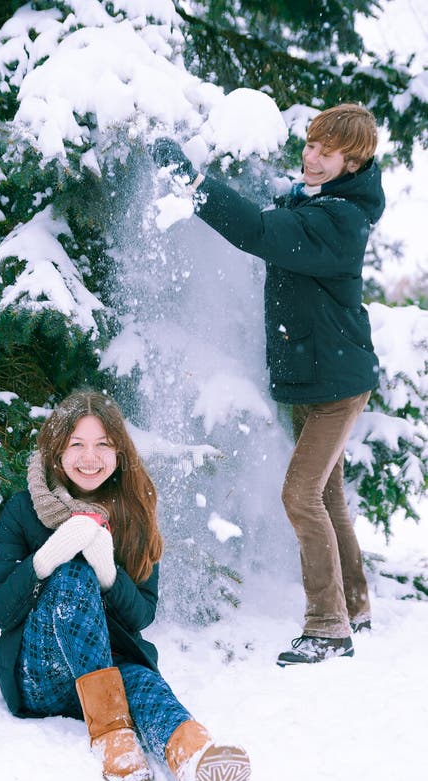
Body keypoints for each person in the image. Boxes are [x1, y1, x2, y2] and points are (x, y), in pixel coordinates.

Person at [152, 103, 385, 666]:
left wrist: (194, 183)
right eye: (310, 145)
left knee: (299, 495)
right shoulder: (314, 200)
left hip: (335, 387)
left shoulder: (338, 220)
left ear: (353, 163)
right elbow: (271, 211)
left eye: (327, 153)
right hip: (312, 377)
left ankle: (328, 628)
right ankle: (355, 606)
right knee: (326, 495)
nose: (312, 158)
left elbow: (258, 231)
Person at [0, 389, 250, 781]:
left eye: (103, 445)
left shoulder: (135, 511)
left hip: (108, 671)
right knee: (72, 574)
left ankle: (194, 756)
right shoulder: (24, 509)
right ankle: (111, 736)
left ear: (119, 452)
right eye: (77, 444)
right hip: (41, 674)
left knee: (143, 683)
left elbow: (142, 615)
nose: (89, 458)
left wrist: (107, 570)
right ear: (57, 450)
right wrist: (49, 556)